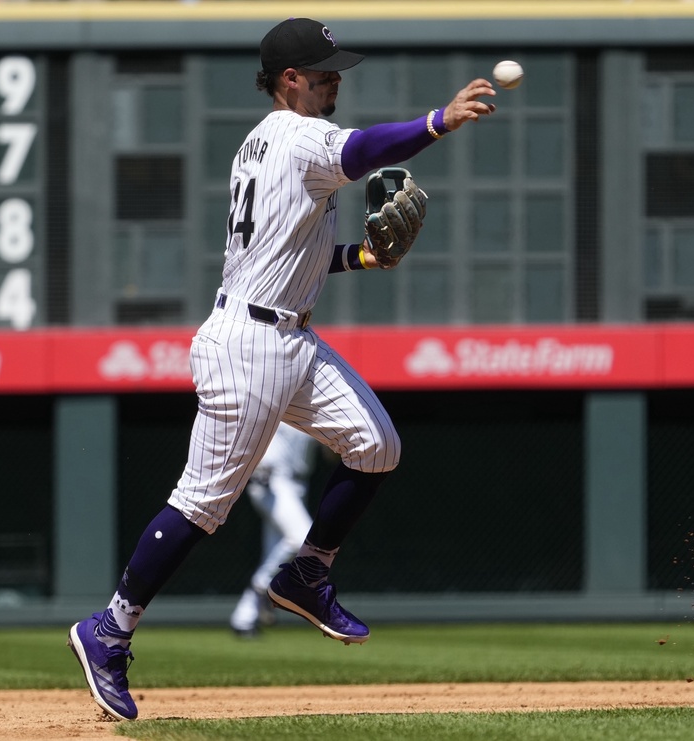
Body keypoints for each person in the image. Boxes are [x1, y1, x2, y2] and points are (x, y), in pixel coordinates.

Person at [67, 16, 496, 721]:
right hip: (249, 346)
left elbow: (290, 251)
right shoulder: (301, 136)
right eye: (323, 72)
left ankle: (307, 572)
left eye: (335, 71)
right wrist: (439, 120)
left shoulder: (262, 143)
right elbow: (365, 149)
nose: (334, 81)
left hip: (286, 334)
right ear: (288, 79)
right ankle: (109, 627)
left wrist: (361, 256)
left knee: (377, 446)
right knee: (202, 504)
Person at [229, 422, 317, 638]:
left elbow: (332, 453)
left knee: (274, 553)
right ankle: (262, 588)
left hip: (297, 485)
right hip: (273, 482)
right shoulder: (280, 397)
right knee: (303, 538)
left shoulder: (316, 409)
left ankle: (244, 617)